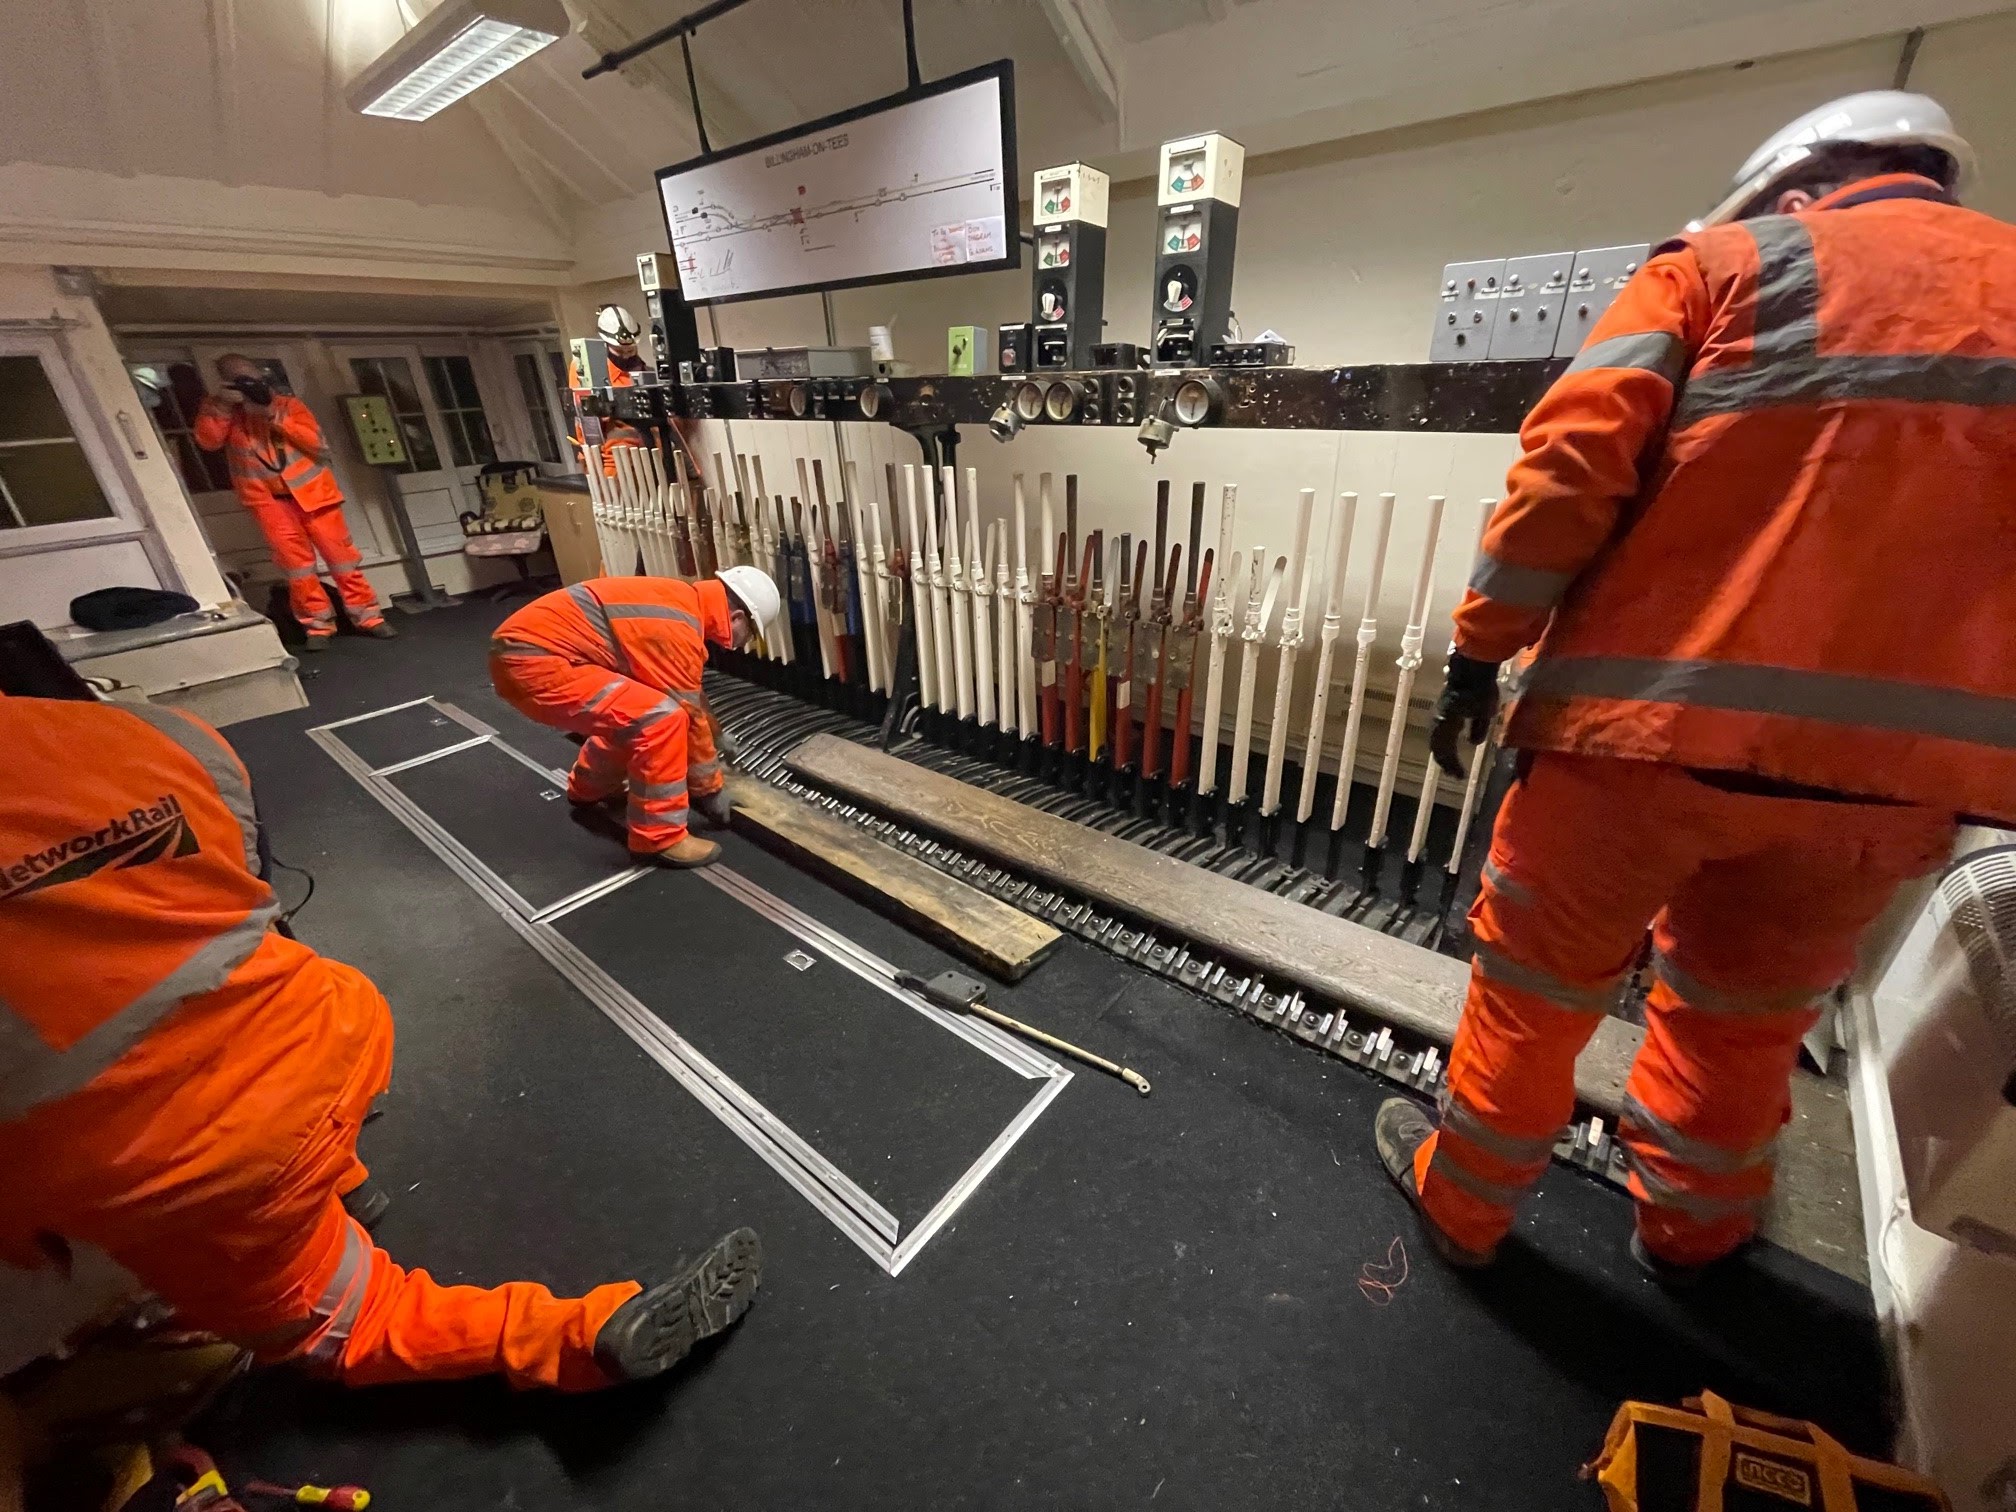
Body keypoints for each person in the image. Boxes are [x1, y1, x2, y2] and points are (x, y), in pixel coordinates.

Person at [1379, 90, 2013, 1284]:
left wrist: (1480, 653)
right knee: (1745, 1019)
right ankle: (1695, 1233)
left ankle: (1466, 1210)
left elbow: (1564, 480)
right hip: (1887, 796)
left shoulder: (1724, 266)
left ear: (1795, 189)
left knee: (1534, 992)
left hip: (1645, 741)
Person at [0, 693, 763, 1390]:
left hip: (187, 1164)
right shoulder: (149, 730)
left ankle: (576, 1338)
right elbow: (248, 891)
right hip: (331, 1041)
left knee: (344, 1322)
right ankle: (339, 1180)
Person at [490, 566, 782, 869]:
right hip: (533, 665)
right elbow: (688, 713)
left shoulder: (678, 605)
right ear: (735, 618)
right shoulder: (677, 629)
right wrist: (711, 792)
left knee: (633, 711)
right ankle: (660, 839)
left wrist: (717, 732)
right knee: (661, 719)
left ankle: (589, 788)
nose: (746, 642)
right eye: (750, 632)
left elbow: (690, 695)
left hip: (527, 653)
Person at [192, 357, 393, 652]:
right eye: (239, 381)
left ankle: (370, 619)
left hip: (316, 497)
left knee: (344, 562)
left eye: (252, 380)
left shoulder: (287, 406)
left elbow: (317, 443)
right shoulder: (220, 410)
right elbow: (207, 441)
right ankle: (318, 626)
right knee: (298, 570)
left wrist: (271, 413)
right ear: (225, 383)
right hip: (269, 503)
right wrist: (222, 405)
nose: (249, 387)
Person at [569, 305, 650, 477]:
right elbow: (588, 419)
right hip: (611, 458)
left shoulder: (642, 370)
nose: (626, 356)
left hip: (646, 451)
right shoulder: (587, 369)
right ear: (605, 345)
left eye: (630, 350)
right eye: (620, 351)